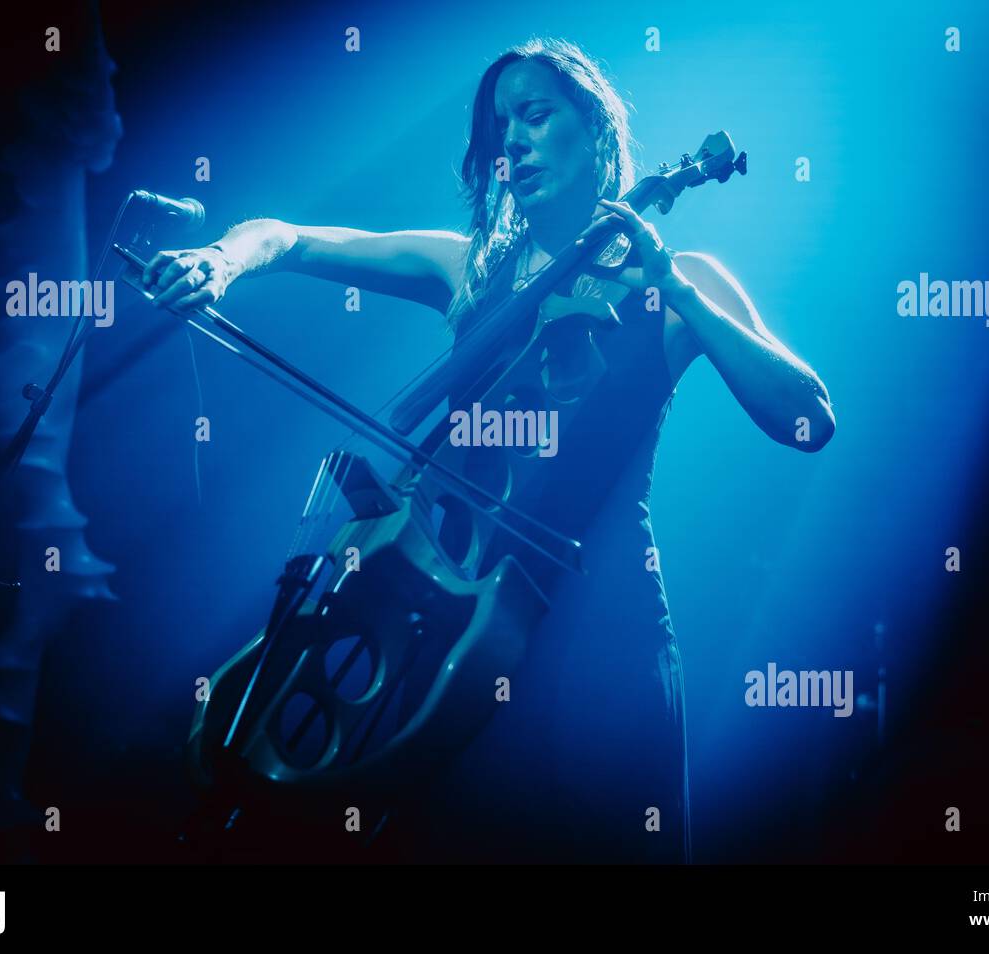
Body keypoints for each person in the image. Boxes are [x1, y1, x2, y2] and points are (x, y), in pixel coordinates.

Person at [144, 37, 834, 863]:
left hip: (601, 627)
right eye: (500, 128)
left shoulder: (677, 280)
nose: (513, 140)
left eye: (536, 115)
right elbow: (290, 238)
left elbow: (808, 419)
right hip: (452, 626)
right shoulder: (472, 273)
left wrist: (678, 289)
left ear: (598, 133)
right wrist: (220, 261)